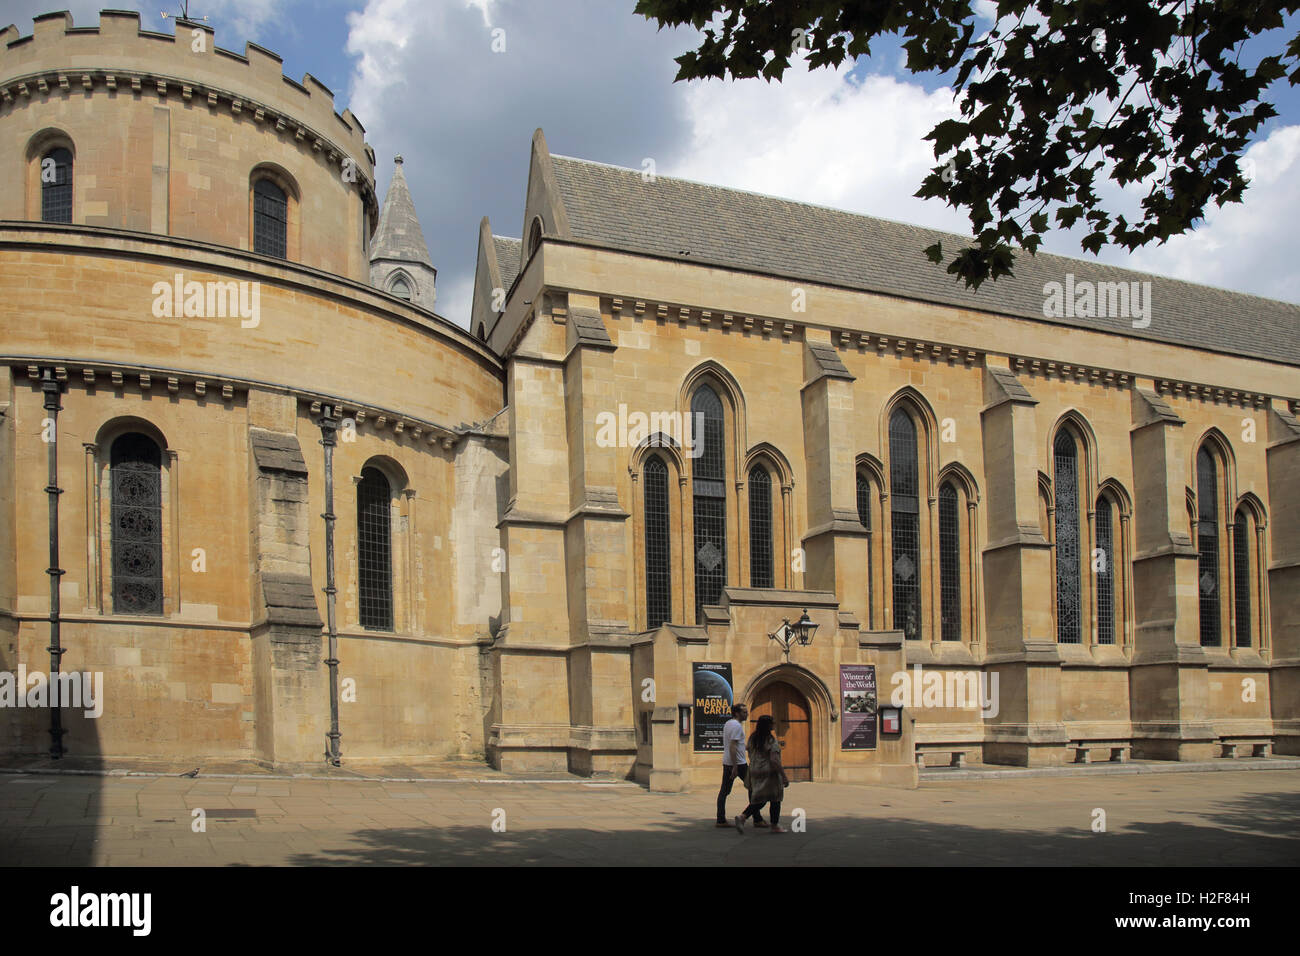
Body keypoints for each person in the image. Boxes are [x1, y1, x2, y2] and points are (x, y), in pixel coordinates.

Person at [735, 714, 789, 834]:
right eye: (772, 723)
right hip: (769, 773)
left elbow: (749, 751)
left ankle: (743, 816)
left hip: (754, 770)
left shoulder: (753, 738)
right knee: (775, 798)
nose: (773, 725)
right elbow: (774, 759)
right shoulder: (770, 739)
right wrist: (783, 776)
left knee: (760, 798)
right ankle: (774, 825)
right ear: (768, 725)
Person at [715, 703, 766, 827]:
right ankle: (756, 818)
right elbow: (732, 746)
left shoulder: (728, 724)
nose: (747, 714)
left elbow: (736, 745)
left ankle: (721, 819)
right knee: (754, 788)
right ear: (737, 713)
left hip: (728, 762)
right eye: (744, 712)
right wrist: (735, 766)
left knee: (724, 791)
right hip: (738, 764)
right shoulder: (736, 726)